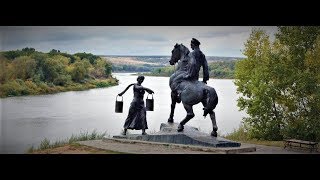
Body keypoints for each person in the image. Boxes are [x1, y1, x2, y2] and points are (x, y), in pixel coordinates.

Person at [176, 38, 209, 103]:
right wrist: (205, 79)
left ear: (194, 45)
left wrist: (189, 75)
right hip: (196, 77)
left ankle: (179, 95)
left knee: (176, 80)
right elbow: (205, 67)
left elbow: (192, 63)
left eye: (191, 45)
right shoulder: (202, 55)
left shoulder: (191, 54)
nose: (190, 46)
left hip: (190, 76)